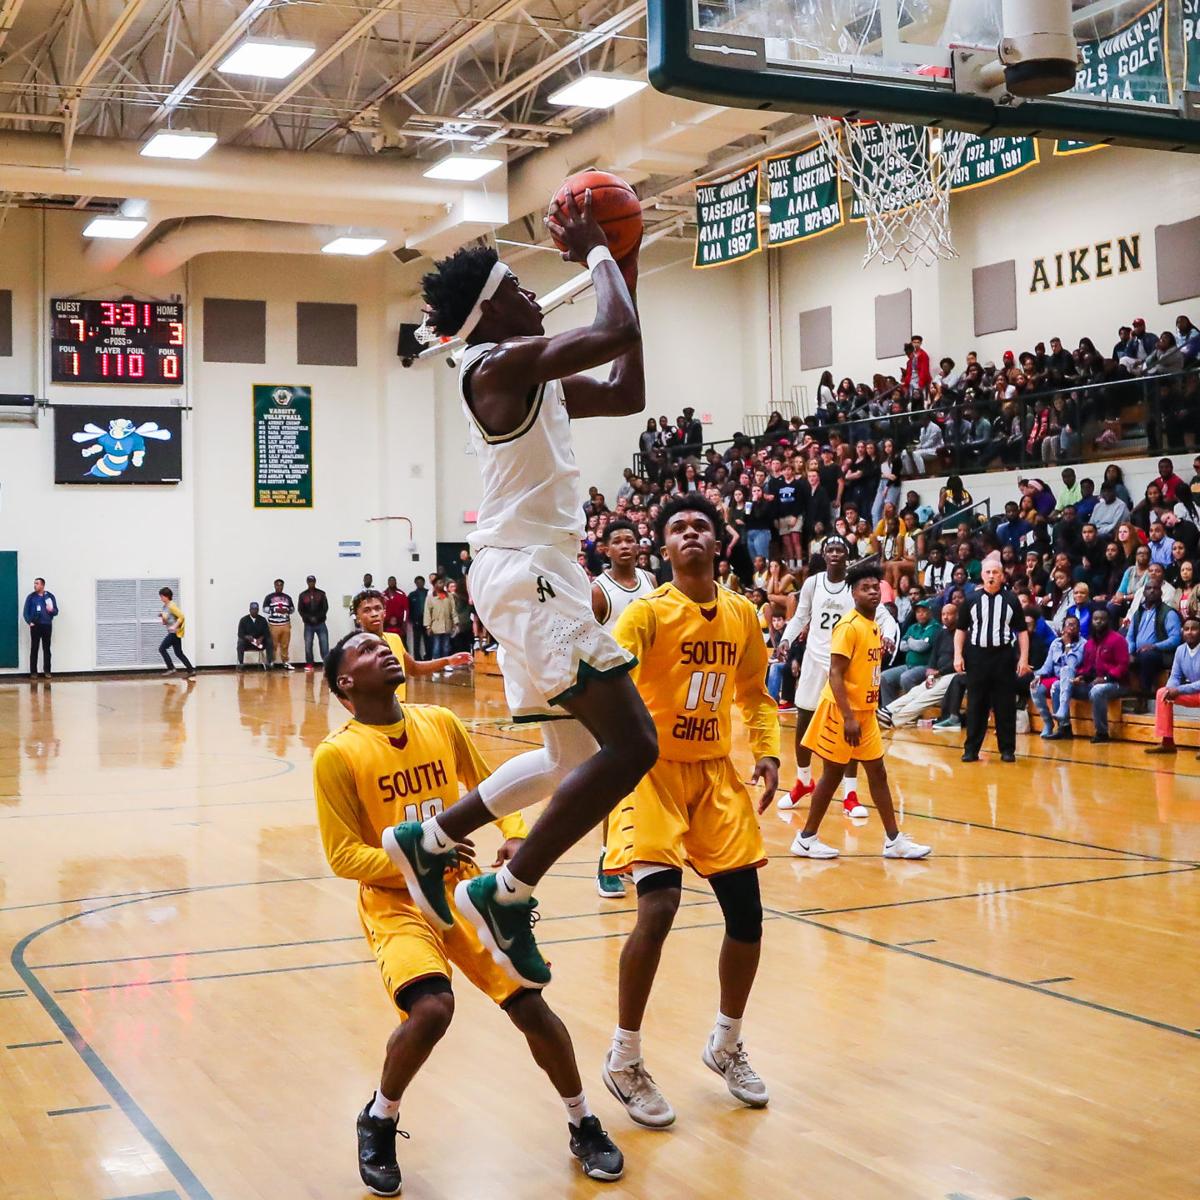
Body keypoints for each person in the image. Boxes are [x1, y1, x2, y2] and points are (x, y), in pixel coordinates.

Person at [393, 190, 658, 988]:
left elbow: (626, 387)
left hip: (532, 572)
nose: (534, 296)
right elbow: (611, 329)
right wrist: (600, 255)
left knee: (564, 756)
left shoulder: (527, 374)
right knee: (634, 746)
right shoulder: (499, 364)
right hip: (528, 571)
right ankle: (505, 893)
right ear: (488, 312)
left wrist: (629, 260)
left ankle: (432, 838)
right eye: (517, 288)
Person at [314, 632, 623, 1191]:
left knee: (532, 1008)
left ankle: (583, 1122)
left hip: (461, 890)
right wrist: (416, 863)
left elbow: (488, 785)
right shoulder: (336, 753)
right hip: (395, 903)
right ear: (346, 684)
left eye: (381, 644)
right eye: (362, 649)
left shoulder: (439, 721)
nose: (383, 649)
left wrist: (515, 833)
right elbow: (342, 855)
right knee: (432, 1010)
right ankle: (379, 1118)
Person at [599, 495, 778, 1126]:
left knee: (749, 918)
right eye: (677, 528)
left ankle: (726, 1044)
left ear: (720, 541)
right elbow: (606, 675)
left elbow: (756, 694)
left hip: (713, 775)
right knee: (660, 906)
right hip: (650, 774)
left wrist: (768, 752)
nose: (691, 534)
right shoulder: (647, 612)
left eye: (701, 525)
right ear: (665, 549)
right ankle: (624, 1057)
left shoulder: (742, 614)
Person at [790, 562, 931, 860]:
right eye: (865, 588)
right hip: (843, 712)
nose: (872, 592)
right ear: (853, 593)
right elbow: (835, 675)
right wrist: (849, 717)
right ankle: (805, 838)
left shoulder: (873, 625)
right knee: (832, 775)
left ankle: (894, 840)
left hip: (865, 712)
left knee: (877, 772)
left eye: (875, 587)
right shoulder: (848, 626)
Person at [590, 519, 658, 899]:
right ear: (606, 550)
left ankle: (635, 851)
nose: (625, 545)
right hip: (614, 695)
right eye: (617, 540)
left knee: (646, 778)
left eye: (631, 538)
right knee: (612, 780)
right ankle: (606, 858)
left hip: (650, 693)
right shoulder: (599, 592)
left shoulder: (651, 583)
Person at [954, 555, 1030, 763]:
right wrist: (957, 655)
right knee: (976, 704)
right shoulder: (971, 600)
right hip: (977, 656)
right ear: (982, 575)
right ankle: (971, 749)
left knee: (1005, 704)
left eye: (995, 572)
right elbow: (960, 630)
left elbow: (1022, 632)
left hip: (1003, 656)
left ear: (1002, 576)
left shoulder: (1012, 600)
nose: (991, 576)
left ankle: (1007, 750)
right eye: (987, 572)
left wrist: (1023, 659)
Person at [353, 589, 471, 692]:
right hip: (374, 715)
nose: (374, 614)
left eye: (377, 608)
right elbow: (341, 687)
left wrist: (448, 660)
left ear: (384, 612)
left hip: (398, 711)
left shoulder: (394, 639)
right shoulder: (354, 647)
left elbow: (414, 668)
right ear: (357, 617)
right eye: (367, 610)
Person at [878, 603, 960, 728]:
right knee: (917, 691)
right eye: (943, 614)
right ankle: (887, 710)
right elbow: (934, 654)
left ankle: (894, 719)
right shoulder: (942, 633)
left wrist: (938, 672)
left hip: (954, 674)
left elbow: (959, 660)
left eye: (949, 614)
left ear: (957, 615)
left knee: (926, 696)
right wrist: (930, 670)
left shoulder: (963, 634)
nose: (945, 617)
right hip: (938, 673)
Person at [1070, 608, 1130, 743]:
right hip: (1093, 682)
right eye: (1095, 619)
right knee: (1061, 685)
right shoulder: (1089, 643)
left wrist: (1105, 678)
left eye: (1102, 619)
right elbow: (1086, 667)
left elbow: (1123, 666)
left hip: (1117, 684)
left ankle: (1102, 732)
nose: (1098, 622)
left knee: (1097, 691)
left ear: (1108, 621)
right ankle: (1064, 726)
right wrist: (1081, 677)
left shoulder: (1118, 640)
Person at [1145, 616, 1200, 755]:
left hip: (1193, 690)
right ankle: (1167, 742)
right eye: (1186, 629)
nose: (1189, 632)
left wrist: (1179, 689)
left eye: (1194, 629)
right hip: (1192, 693)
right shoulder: (1180, 650)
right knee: (1162, 693)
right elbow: (1175, 676)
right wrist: (1170, 689)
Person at [1125, 580, 1182, 712]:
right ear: (1143, 592)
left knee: (1147, 656)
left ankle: (1145, 698)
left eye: (1155, 588)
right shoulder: (1138, 613)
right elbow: (1130, 636)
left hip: (1162, 654)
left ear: (1161, 592)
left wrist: (1155, 646)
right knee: (1125, 658)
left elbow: (1175, 639)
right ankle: (1126, 695)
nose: (1152, 591)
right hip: (1140, 652)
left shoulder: (1168, 613)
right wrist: (1130, 652)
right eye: (1149, 588)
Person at [1031, 615, 1086, 740]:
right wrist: (1038, 675)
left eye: (1074, 625)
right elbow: (1047, 666)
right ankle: (1048, 722)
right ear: (1062, 628)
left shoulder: (1083, 644)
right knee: (1034, 687)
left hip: (1075, 680)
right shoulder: (1055, 643)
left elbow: (1072, 665)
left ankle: (1063, 714)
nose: (1071, 628)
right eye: (1068, 625)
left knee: (1064, 673)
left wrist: (1068, 645)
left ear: (1079, 629)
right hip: (1057, 677)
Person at [23, 577, 57, 680]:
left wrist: (51, 610)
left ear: (42, 585)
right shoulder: (31, 597)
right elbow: (25, 612)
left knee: (46, 649)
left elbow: (56, 611)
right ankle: (33, 672)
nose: (35, 585)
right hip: (35, 626)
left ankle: (47, 671)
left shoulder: (49, 596)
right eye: (34, 583)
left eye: (37, 583)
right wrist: (29, 622)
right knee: (34, 648)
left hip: (47, 625)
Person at [158, 586, 195, 676]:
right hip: (173, 633)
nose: (161, 598)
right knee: (179, 653)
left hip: (174, 633)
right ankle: (191, 670)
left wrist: (174, 626)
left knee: (162, 649)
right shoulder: (165, 607)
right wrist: (162, 617)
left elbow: (182, 616)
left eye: (162, 596)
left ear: (166, 596)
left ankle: (171, 668)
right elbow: (165, 622)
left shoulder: (172, 605)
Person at [298, 575, 330, 669]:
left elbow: (325, 608)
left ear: (315, 582)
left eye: (312, 581)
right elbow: (301, 610)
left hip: (321, 623)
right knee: (308, 644)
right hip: (308, 625)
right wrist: (309, 618)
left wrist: (318, 617)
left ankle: (326, 664)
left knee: (324, 644)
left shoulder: (321, 593)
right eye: (309, 581)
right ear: (307, 582)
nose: (311, 583)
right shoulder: (303, 595)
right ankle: (309, 663)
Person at [263, 579, 295, 671]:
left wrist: (287, 610)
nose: (279, 587)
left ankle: (285, 662)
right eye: (277, 585)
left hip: (285, 624)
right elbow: (264, 609)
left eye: (281, 585)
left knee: (285, 644)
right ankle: (271, 661)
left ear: (283, 586)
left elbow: (292, 609)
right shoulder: (269, 597)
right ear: (274, 586)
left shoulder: (288, 597)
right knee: (273, 644)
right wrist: (275, 610)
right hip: (274, 625)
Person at [423, 580, 455, 661]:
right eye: (439, 583)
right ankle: (435, 663)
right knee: (436, 647)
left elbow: (453, 610)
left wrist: (456, 623)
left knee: (446, 647)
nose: (441, 585)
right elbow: (427, 612)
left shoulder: (449, 596)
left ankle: (446, 663)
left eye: (442, 583)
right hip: (436, 626)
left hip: (447, 625)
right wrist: (428, 626)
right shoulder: (430, 597)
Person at [236, 601, 272, 668]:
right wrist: (246, 637)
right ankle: (241, 663)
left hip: (259, 643)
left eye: (256, 609)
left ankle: (269, 662)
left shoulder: (262, 620)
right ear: (249, 610)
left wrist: (261, 638)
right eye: (253, 609)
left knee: (269, 641)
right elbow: (240, 633)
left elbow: (267, 632)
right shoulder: (243, 620)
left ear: (258, 610)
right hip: (248, 643)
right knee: (240, 642)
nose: (254, 611)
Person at [407, 576, 429, 660]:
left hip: (427, 620)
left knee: (428, 641)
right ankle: (417, 658)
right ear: (415, 583)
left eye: (421, 582)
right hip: (416, 621)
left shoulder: (429, 593)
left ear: (424, 583)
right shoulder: (412, 595)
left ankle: (428, 657)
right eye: (418, 582)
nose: (420, 584)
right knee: (417, 641)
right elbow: (409, 609)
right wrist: (412, 620)